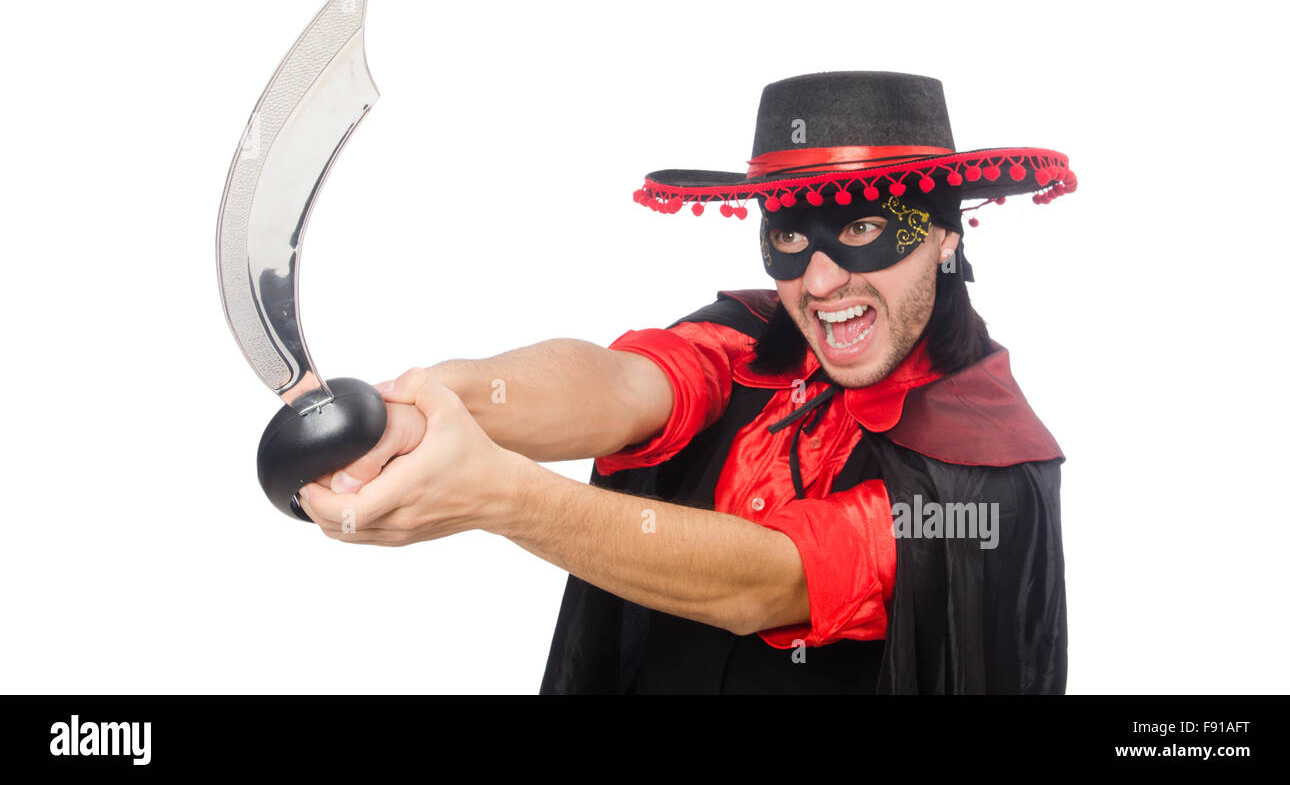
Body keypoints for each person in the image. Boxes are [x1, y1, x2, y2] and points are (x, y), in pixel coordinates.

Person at [296, 71, 1078, 694]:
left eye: (866, 229)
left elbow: (770, 581)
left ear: (943, 232)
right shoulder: (749, 337)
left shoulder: (985, 469)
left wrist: (504, 498)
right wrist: (427, 402)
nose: (824, 278)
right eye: (791, 236)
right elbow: (619, 387)